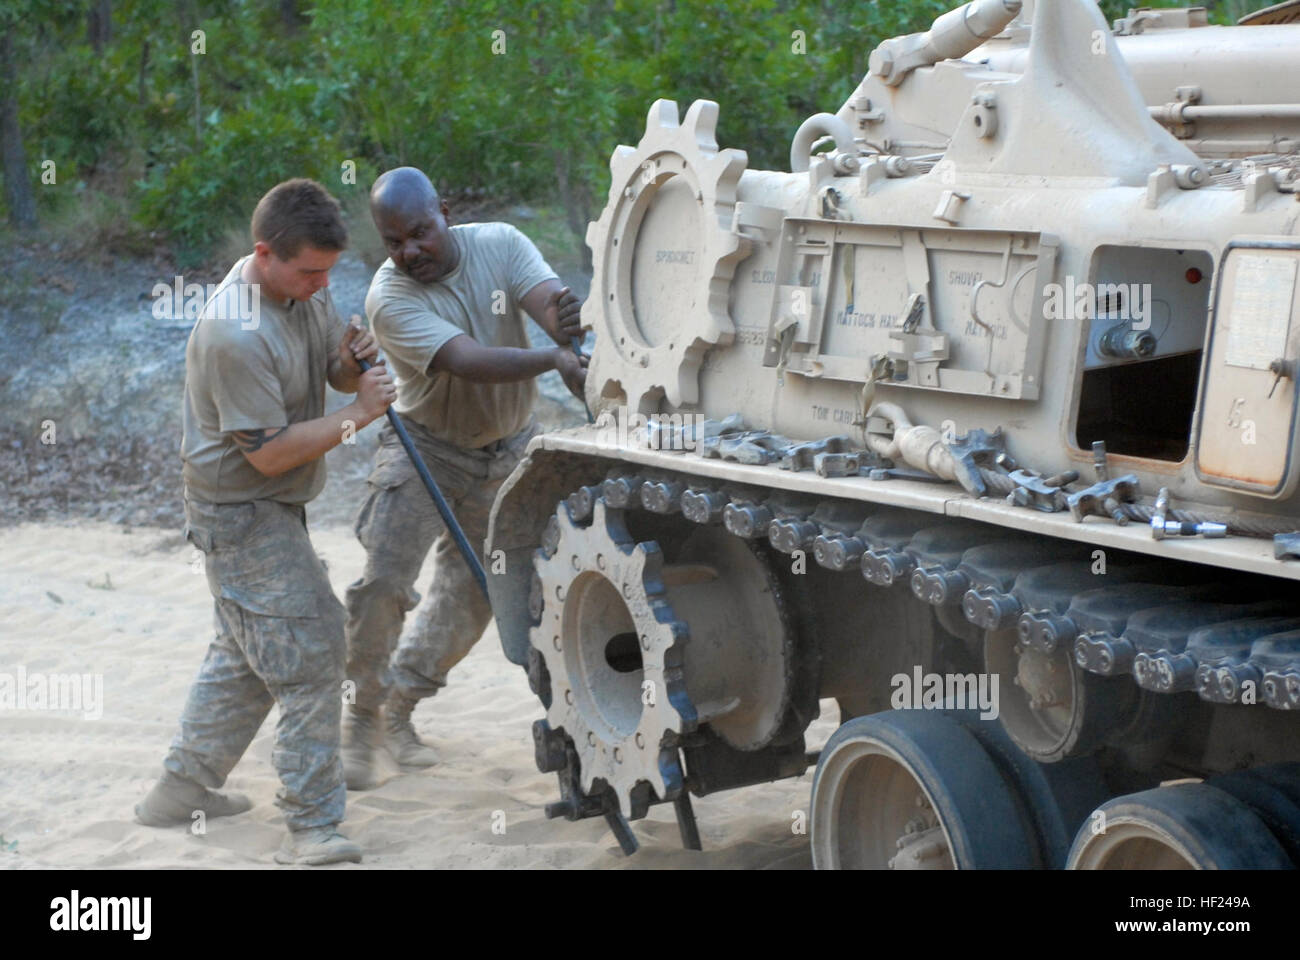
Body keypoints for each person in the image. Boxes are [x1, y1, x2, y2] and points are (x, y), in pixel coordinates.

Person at [135, 178, 397, 865]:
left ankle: (179, 789)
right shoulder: (232, 332)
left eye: (330, 271)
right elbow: (274, 455)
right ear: (264, 253)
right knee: (311, 652)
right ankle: (312, 825)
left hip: (273, 505)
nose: (322, 285)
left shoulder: (305, 283)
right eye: (310, 272)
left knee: (250, 652)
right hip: (240, 511)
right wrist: (361, 414)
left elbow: (330, 371)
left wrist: (350, 364)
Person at [341, 166, 586, 789]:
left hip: (509, 451)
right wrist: (554, 358)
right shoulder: (388, 298)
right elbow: (466, 362)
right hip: (425, 449)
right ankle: (361, 719)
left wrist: (568, 324)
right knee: (383, 583)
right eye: (394, 242)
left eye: (420, 232)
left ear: (444, 210)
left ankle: (400, 705)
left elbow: (551, 313)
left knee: (481, 590)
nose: (410, 251)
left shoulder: (500, 243)